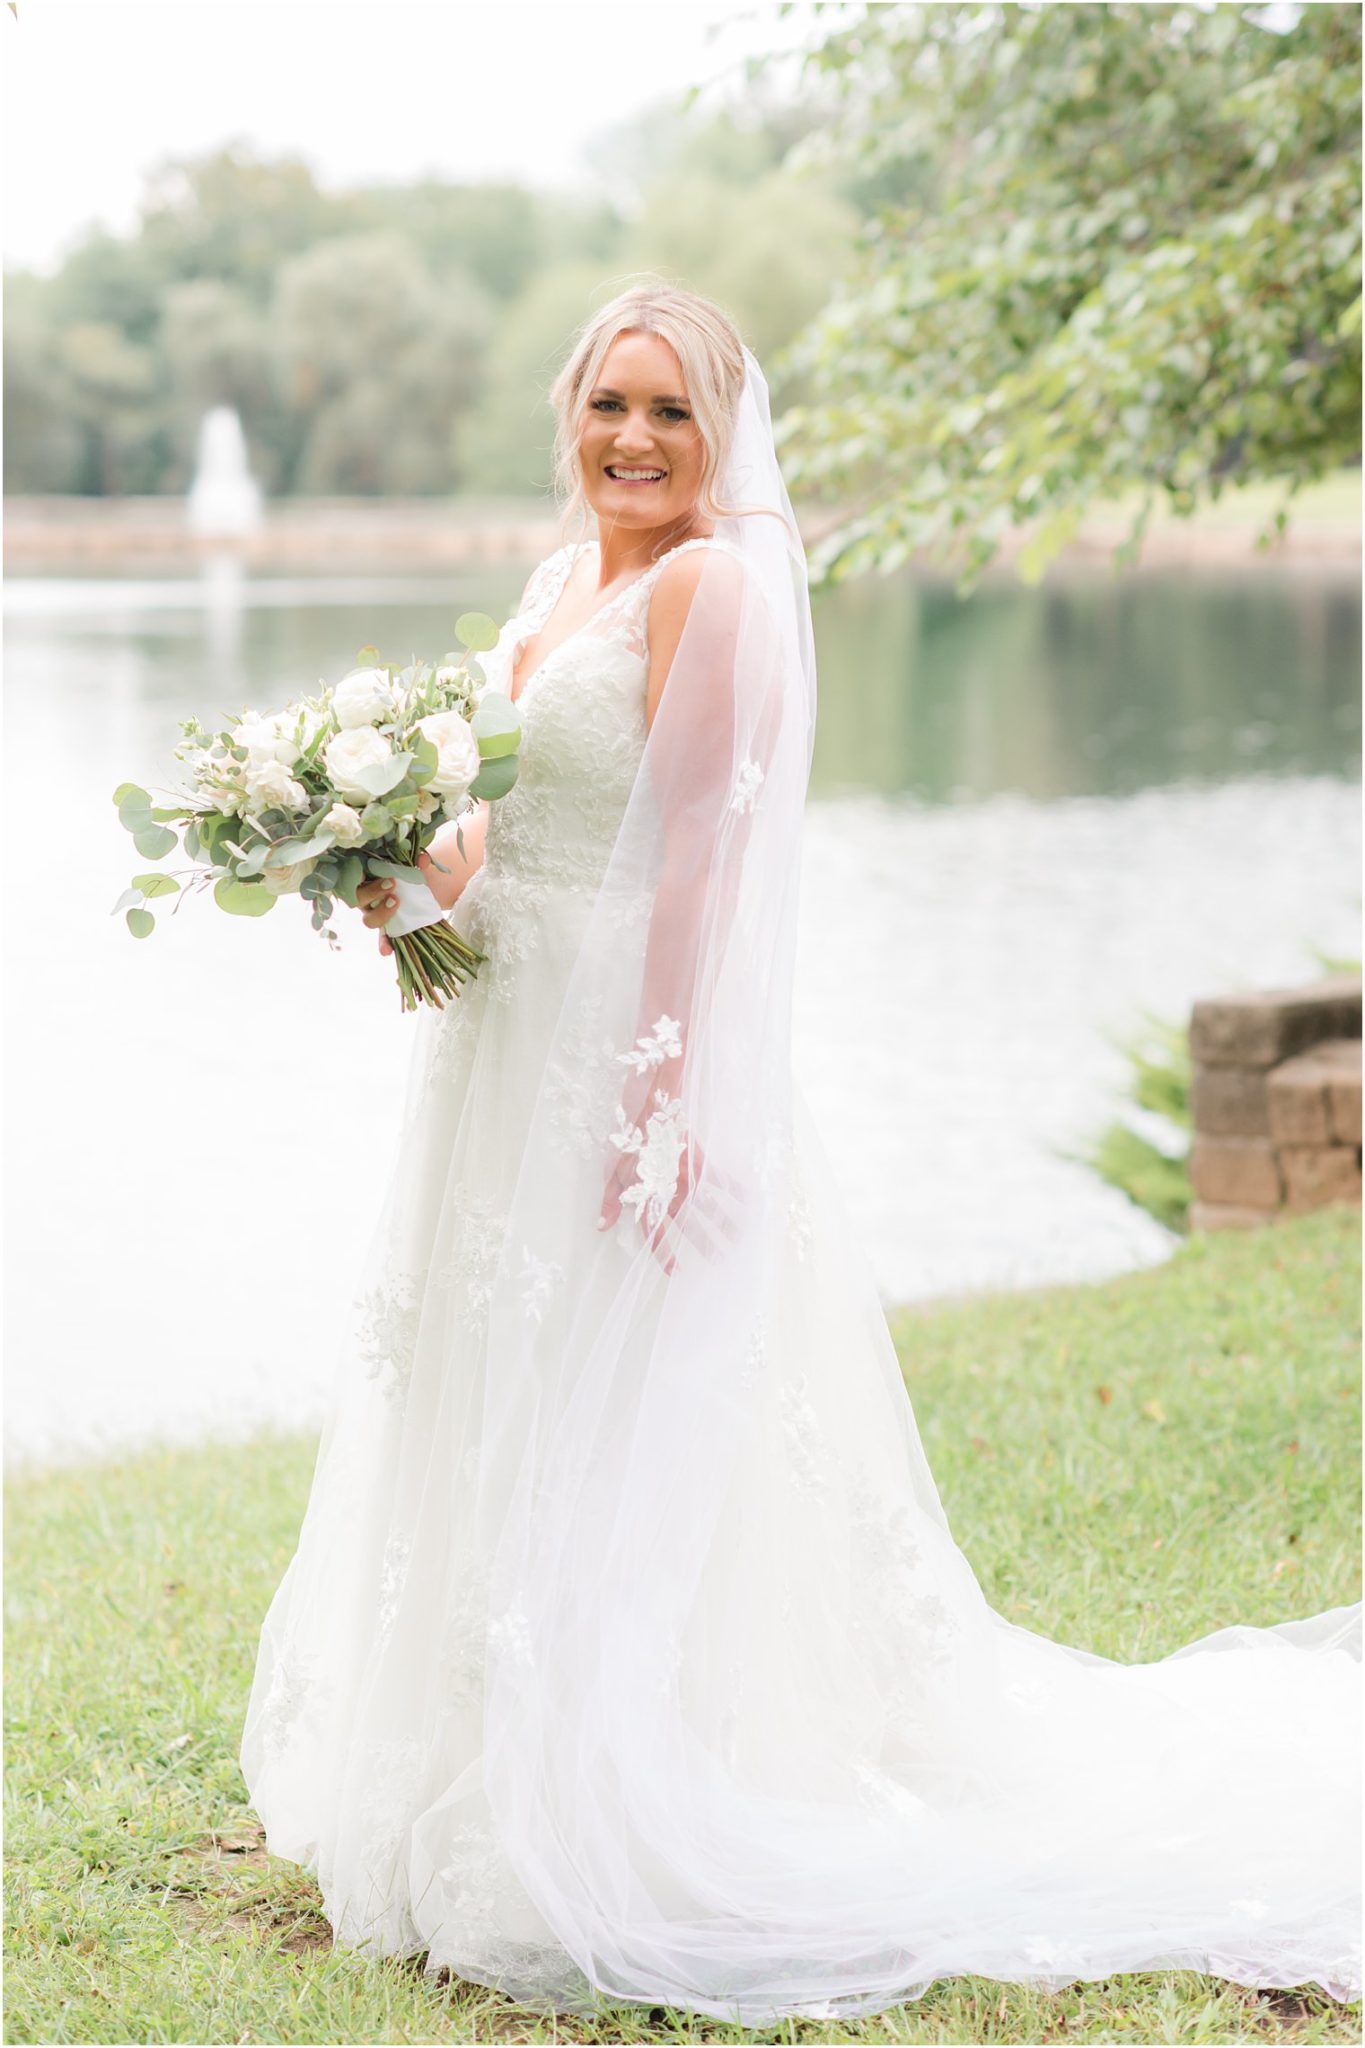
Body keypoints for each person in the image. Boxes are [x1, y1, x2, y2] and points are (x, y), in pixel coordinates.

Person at [240, 280, 1361, 2025]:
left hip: (614, 1047)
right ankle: (465, 1769)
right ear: (571, 413)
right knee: (488, 1376)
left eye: (671, 414)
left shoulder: (716, 591)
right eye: (611, 404)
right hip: (492, 1039)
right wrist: (381, 873)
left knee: (616, 1397)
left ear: (721, 435)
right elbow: (497, 829)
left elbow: (702, 866)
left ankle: (617, 1790)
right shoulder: (557, 587)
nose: (633, 440)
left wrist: (669, 1100)